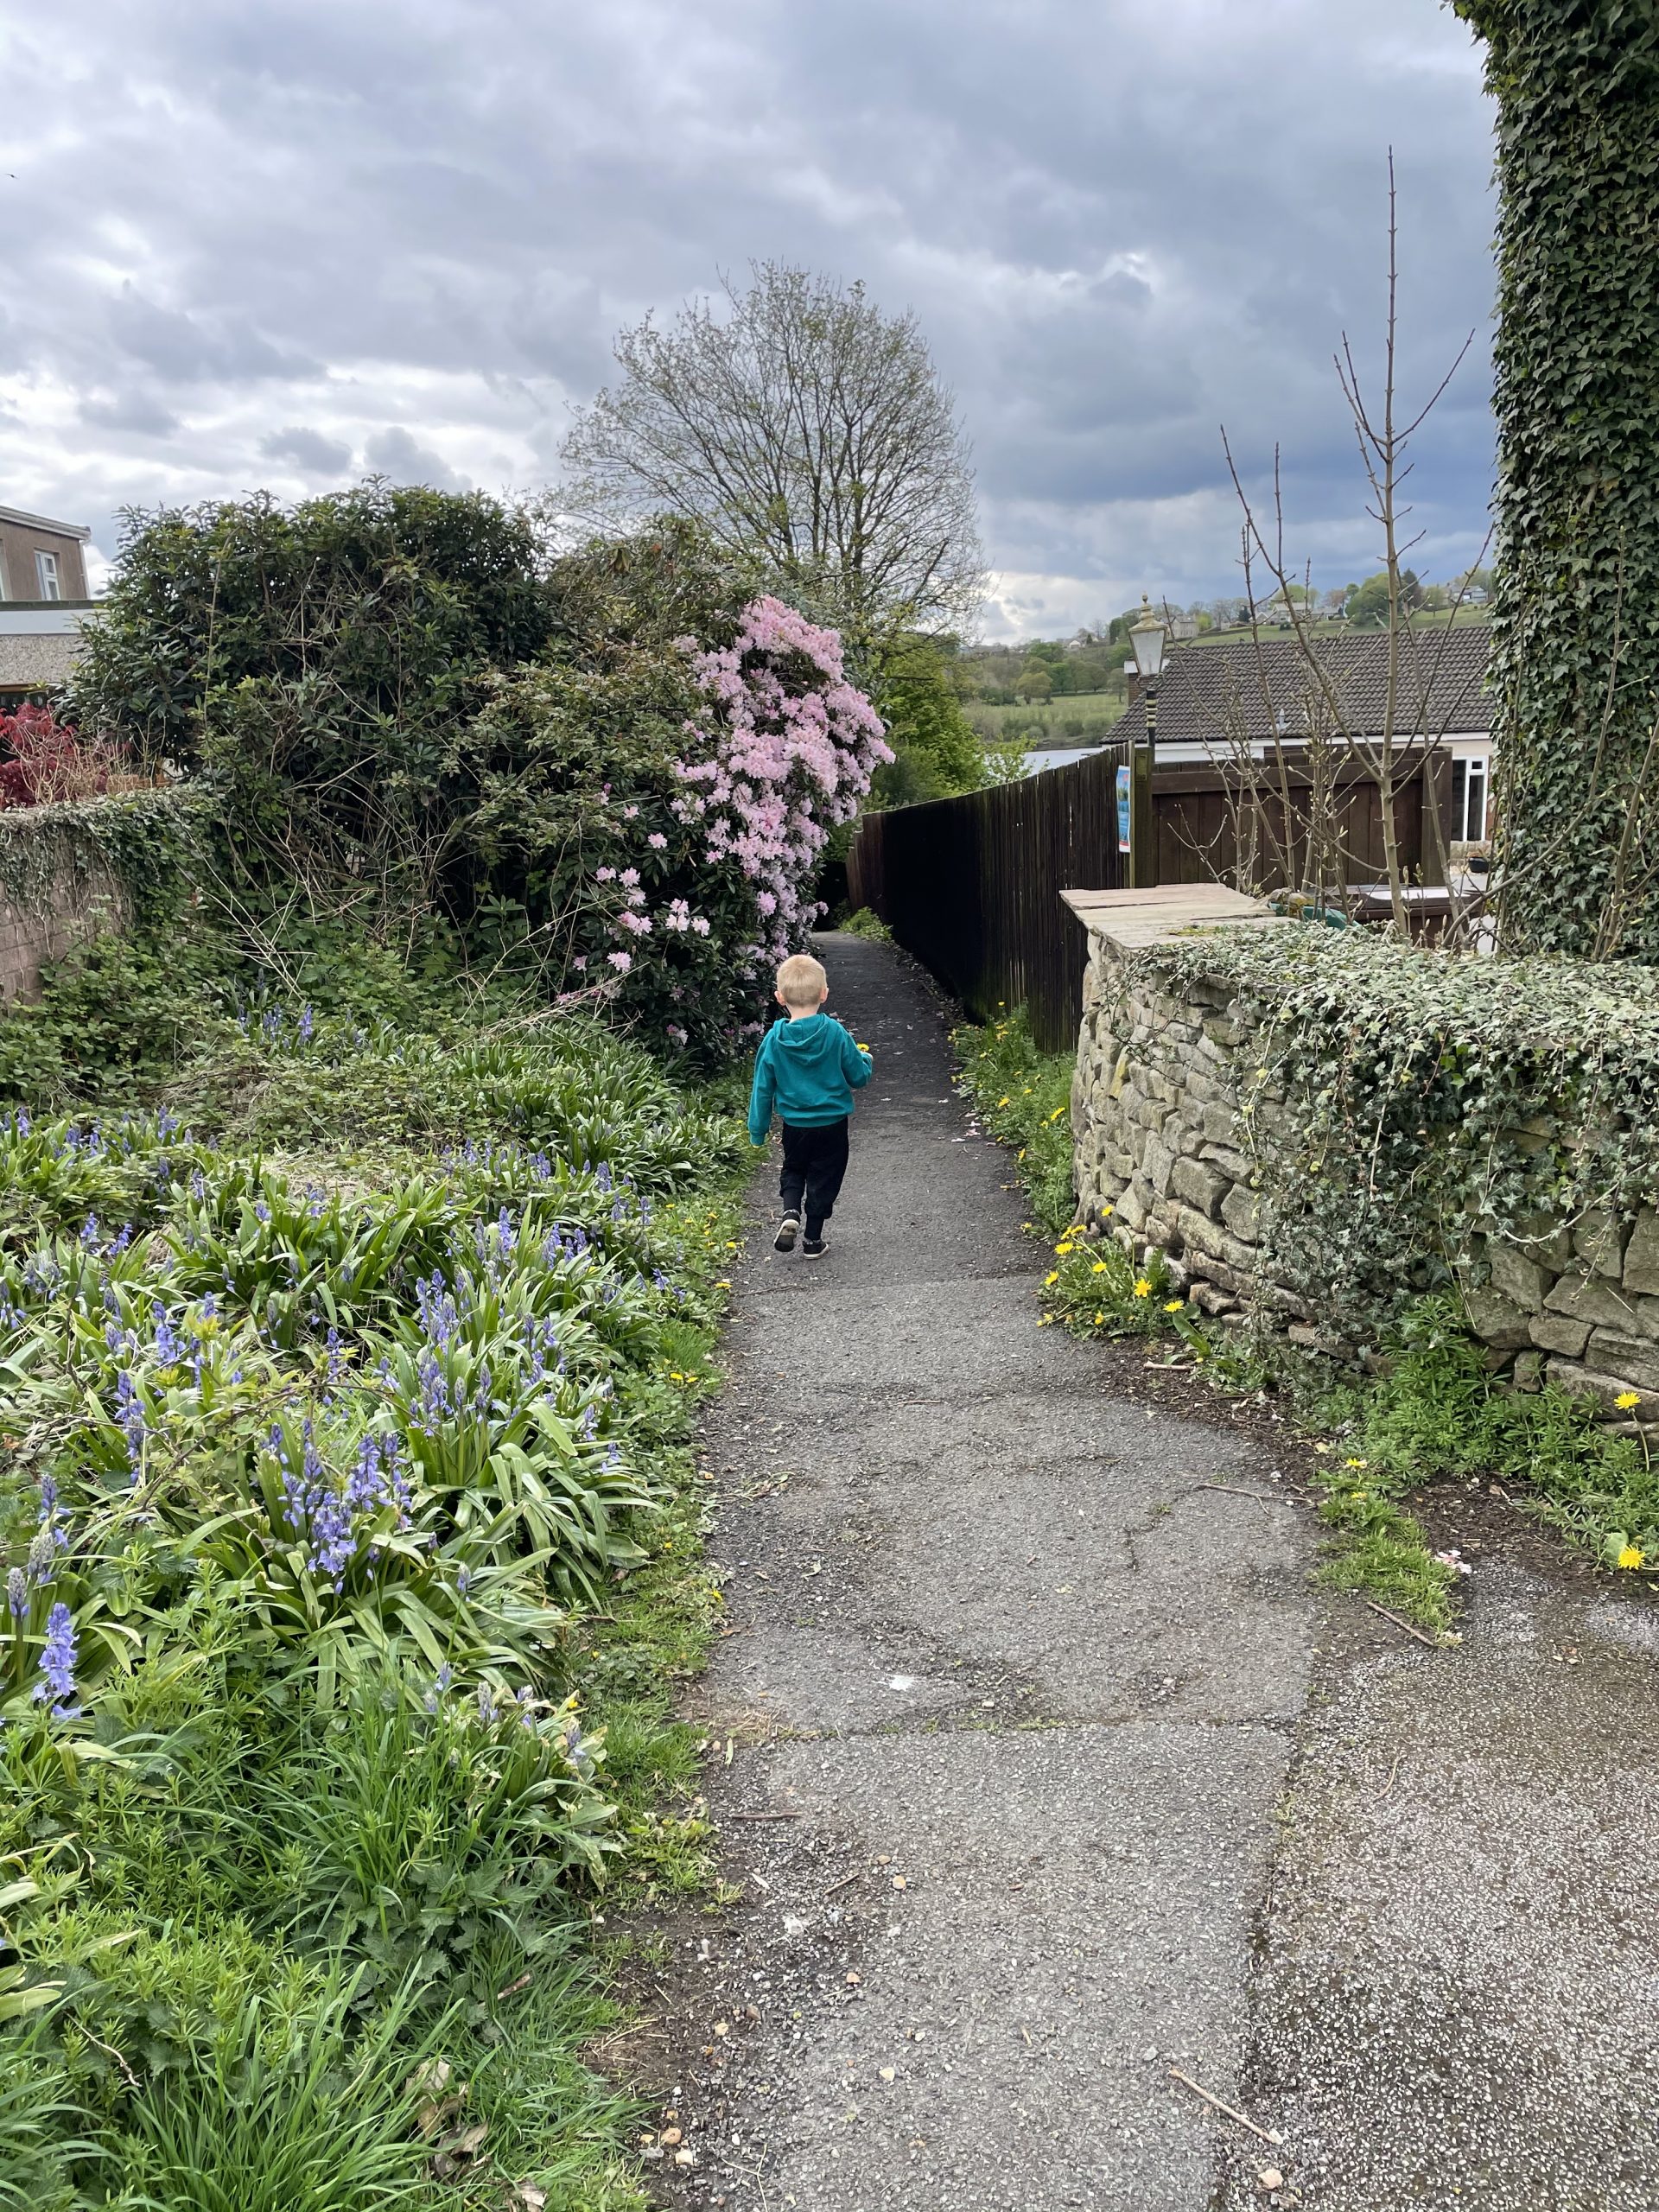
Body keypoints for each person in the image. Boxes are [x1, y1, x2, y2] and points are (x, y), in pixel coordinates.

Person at [747, 952, 872, 1258]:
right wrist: (866, 1061)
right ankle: (813, 1240)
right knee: (824, 1177)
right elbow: (858, 1076)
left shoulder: (774, 1040)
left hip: (795, 1125)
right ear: (824, 993)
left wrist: (758, 1130)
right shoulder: (835, 1033)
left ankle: (790, 1211)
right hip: (831, 1124)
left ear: (779, 997)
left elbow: (762, 1088)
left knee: (794, 1169)